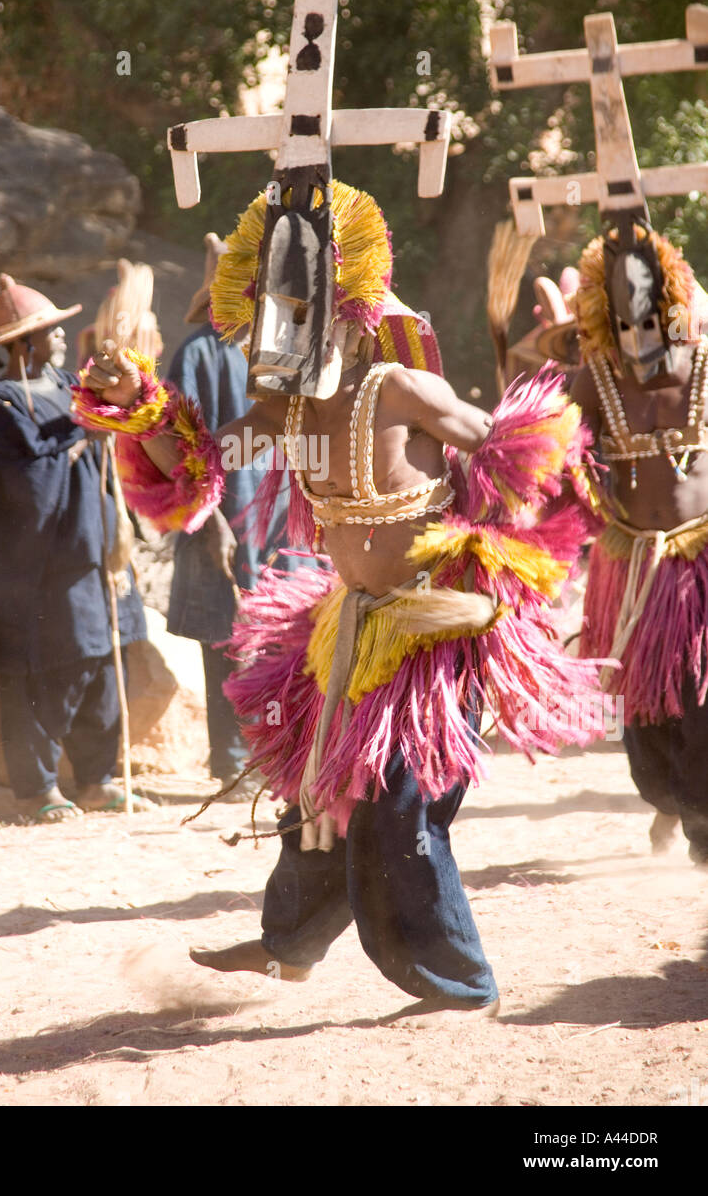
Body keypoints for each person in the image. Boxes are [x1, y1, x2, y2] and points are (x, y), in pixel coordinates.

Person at [73, 180, 603, 1015]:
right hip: (348, 630)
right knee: (314, 795)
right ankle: (290, 943)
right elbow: (198, 470)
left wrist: (513, 554)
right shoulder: (286, 411)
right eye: (267, 316)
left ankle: (458, 980)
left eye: (291, 312)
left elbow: (508, 447)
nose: (272, 333)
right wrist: (137, 408)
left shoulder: (398, 388)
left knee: (400, 812)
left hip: (431, 636)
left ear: (343, 311)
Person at [0, 274, 147, 823]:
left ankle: (96, 779)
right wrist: (80, 438)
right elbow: (25, 485)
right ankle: (37, 789)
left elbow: (109, 429)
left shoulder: (70, 383)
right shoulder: (2, 403)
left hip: (92, 554)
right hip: (39, 568)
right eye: (49, 331)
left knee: (100, 664)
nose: (61, 337)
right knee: (49, 671)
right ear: (22, 343)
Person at [571, 222, 708, 864]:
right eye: (623, 325)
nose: (638, 337)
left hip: (701, 569)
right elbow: (553, 459)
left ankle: (701, 834)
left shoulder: (707, 362)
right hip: (631, 574)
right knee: (648, 731)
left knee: (701, 706)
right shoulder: (594, 379)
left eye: (648, 318)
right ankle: (669, 805)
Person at [165, 232, 312, 796]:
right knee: (225, 640)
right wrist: (211, 518)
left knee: (283, 639)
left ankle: (275, 753)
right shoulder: (196, 354)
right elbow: (181, 449)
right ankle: (230, 760)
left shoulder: (279, 354)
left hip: (280, 519)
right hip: (221, 520)